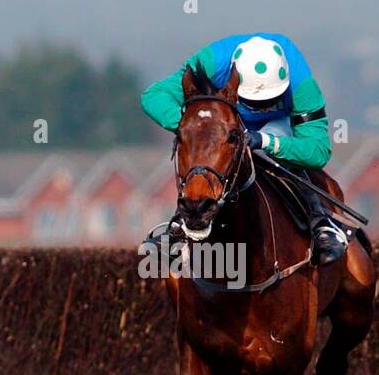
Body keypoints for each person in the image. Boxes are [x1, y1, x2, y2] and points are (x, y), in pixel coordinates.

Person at [140, 33, 346, 264]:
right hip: (225, 121)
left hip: (278, 127)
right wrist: (201, 127)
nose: (263, 109)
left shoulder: (302, 84)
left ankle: (319, 221)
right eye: (255, 103)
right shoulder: (211, 62)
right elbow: (154, 96)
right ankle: (181, 223)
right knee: (202, 148)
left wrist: (267, 141)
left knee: (279, 144)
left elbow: (318, 151)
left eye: (270, 101)